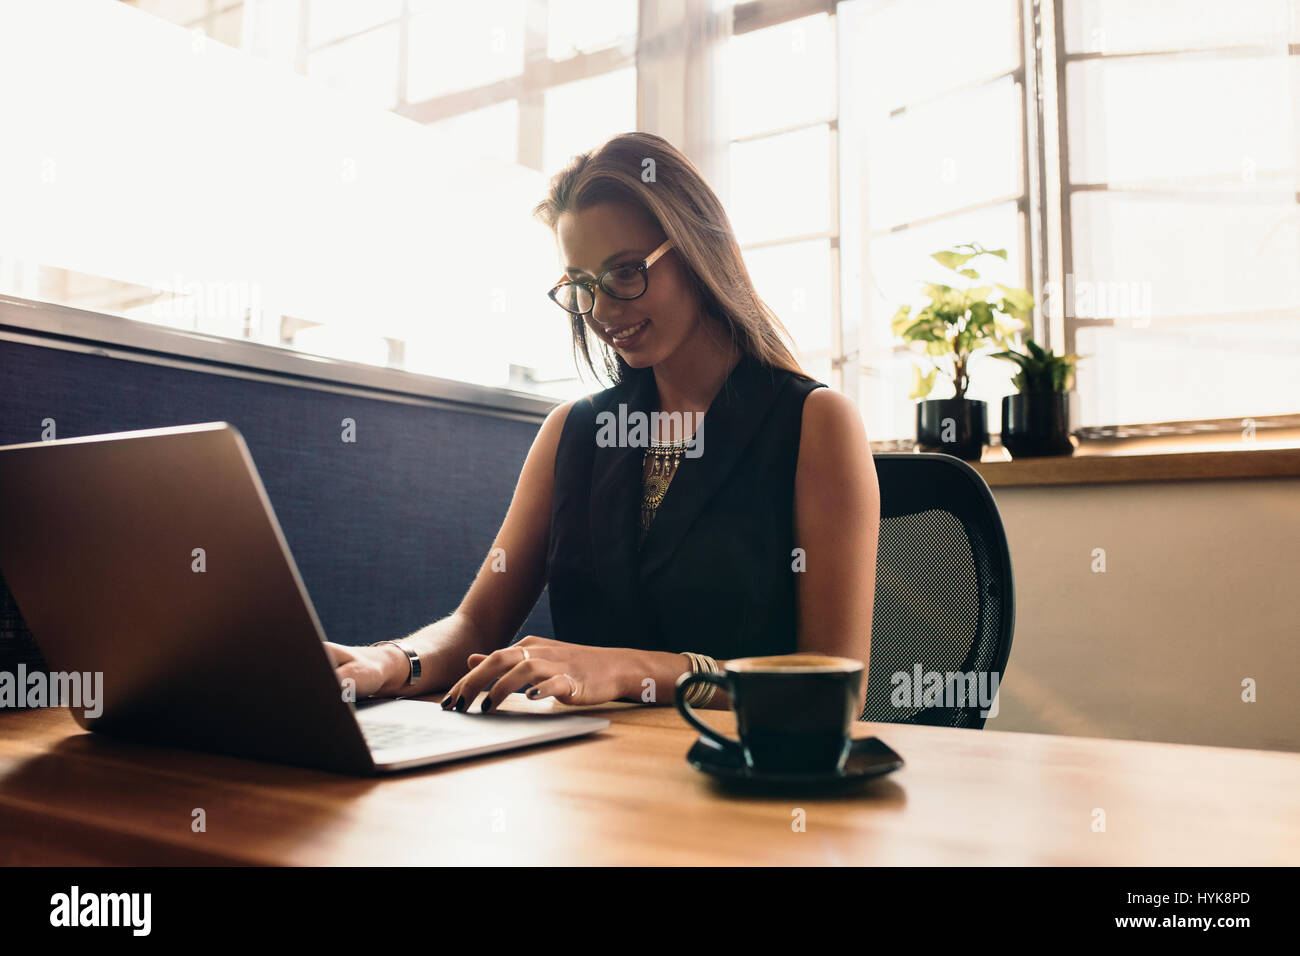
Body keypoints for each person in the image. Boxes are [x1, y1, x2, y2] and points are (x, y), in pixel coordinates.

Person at [327, 131, 879, 715]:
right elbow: (474, 625)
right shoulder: (573, 432)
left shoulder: (814, 423)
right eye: (583, 286)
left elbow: (832, 685)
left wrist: (629, 669)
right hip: (588, 778)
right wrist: (389, 661)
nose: (604, 310)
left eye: (625, 272)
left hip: (741, 785)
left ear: (696, 250)